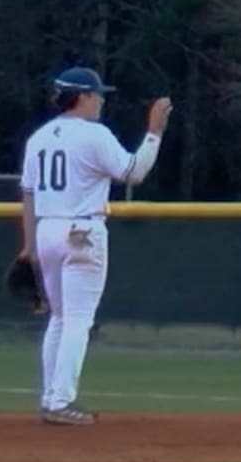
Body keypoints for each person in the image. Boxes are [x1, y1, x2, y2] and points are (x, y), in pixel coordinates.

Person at [17, 67, 171, 426]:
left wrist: (28, 246)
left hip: (47, 229)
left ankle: (50, 397)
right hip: (82, 229)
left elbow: (27, 194)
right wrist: (154, 133)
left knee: (59, 317)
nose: (101, 99)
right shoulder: (93, 135)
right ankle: (61, 401)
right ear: (82, 96)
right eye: (97, 94)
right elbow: (133, 172)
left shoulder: (39, 138)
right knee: (78, 319)